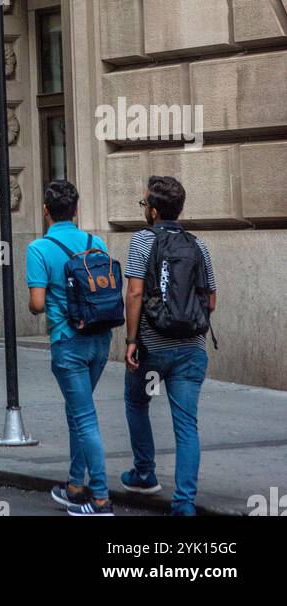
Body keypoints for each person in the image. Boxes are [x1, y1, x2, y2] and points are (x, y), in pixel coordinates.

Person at [123, 175, 216, 517]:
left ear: (155, 211)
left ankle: (144, 473)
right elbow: (211, 299)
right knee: (186, 424)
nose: (144, 208)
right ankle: (184, 503)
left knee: (136, 400)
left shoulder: (142, 241)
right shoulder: (197, 244)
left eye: (145, 204)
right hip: (192, 350)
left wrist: (132, 340)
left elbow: (134, 293)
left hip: (153, 349)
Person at [26, 178, 113, 516]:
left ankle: (101, 499)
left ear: (46, 211)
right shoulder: (96, 242)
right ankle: (76, 483)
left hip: (68, 343)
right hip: (101, 340)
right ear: (76, 210)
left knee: (84, 417)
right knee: (78, 411)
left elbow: (35, 304)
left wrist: (52, 296)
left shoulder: (39, 249)